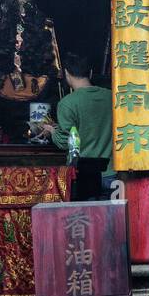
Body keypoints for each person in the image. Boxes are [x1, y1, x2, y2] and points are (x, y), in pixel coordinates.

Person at [42, 53, 114, 199]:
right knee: (111, 219)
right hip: (112, 173)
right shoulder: (111, 96)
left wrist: (52, 131)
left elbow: (64, 142)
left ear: (67, 74)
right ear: (91, 73)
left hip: (83, 176)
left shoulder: (68, 103)